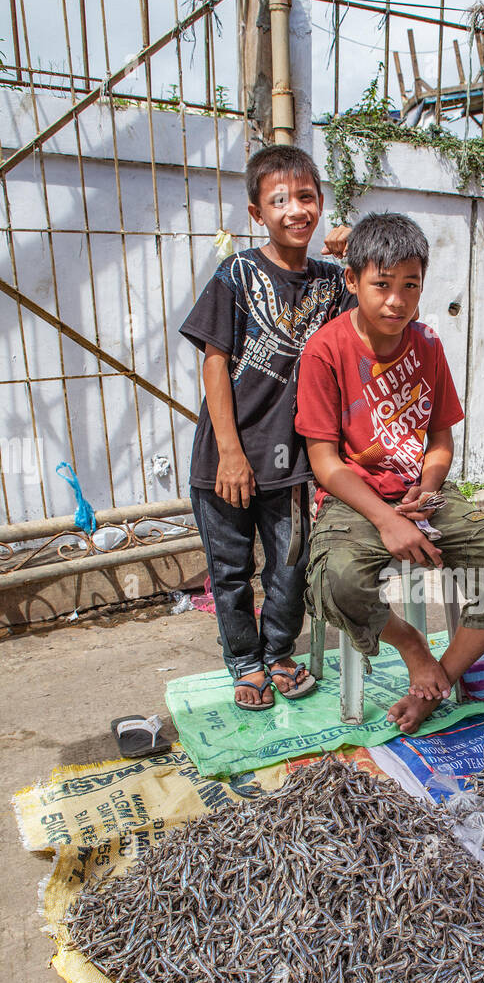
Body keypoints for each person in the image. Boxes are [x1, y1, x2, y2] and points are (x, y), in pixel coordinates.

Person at [295, 211, 484, 734]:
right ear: (352, 280)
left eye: (410, 286)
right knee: (337, 581)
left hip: (423, 493)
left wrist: (425, 492)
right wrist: (387, 520)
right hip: (354, 500)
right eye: (382, 285)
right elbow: (324, 464)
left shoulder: (428, 344)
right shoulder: (325, 350)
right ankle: (414, 647)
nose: (397, 300)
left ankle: (437, 681)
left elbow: (439, 439)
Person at [180, 145, 353, 709]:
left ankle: (279, 655)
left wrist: (354, 252)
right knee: (231, 573)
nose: (295, 210)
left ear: (320, 203)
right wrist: (230, 453)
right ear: (258, 213)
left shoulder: (331, 284)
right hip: (225, 460)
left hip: (289, 461)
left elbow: (379, 305)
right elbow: (213, 362)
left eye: (305, 197)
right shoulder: (235, 274)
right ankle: (245, 664)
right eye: (279, 200)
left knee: (288, 566)